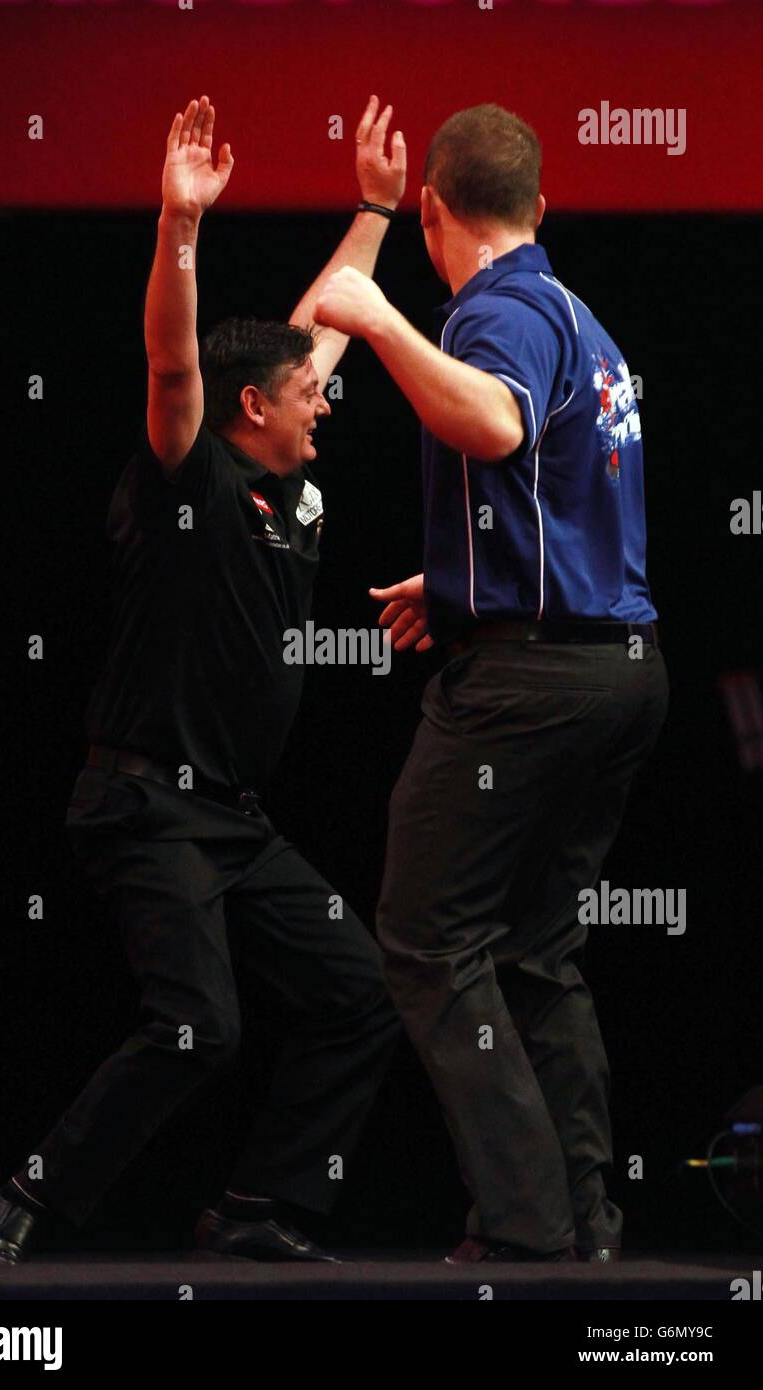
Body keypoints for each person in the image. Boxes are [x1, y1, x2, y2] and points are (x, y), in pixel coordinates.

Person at [0, 93, 405, 1266]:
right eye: (306, 397)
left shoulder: (288, 482)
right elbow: (172, 357)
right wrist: (180, 222)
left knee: (360, 990)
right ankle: (20, 1198)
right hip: (145, 802)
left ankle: (256, 1205)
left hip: (235, 822)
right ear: (250, 407)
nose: (325, 404)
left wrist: (373, 211)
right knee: (200, 1025)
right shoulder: (187, 477)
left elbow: (322, 329)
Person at [314, 103, 669, 1264]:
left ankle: (527, 1226)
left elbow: (499, 424)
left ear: (428, 209)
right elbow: (559, 491)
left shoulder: (498, 310)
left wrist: (378, 320)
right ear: (541, 206)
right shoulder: (581, 316)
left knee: (427, 940)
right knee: (531, 950)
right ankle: (585, 1225)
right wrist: (469, 582)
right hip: (615, 670)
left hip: (530, 689)